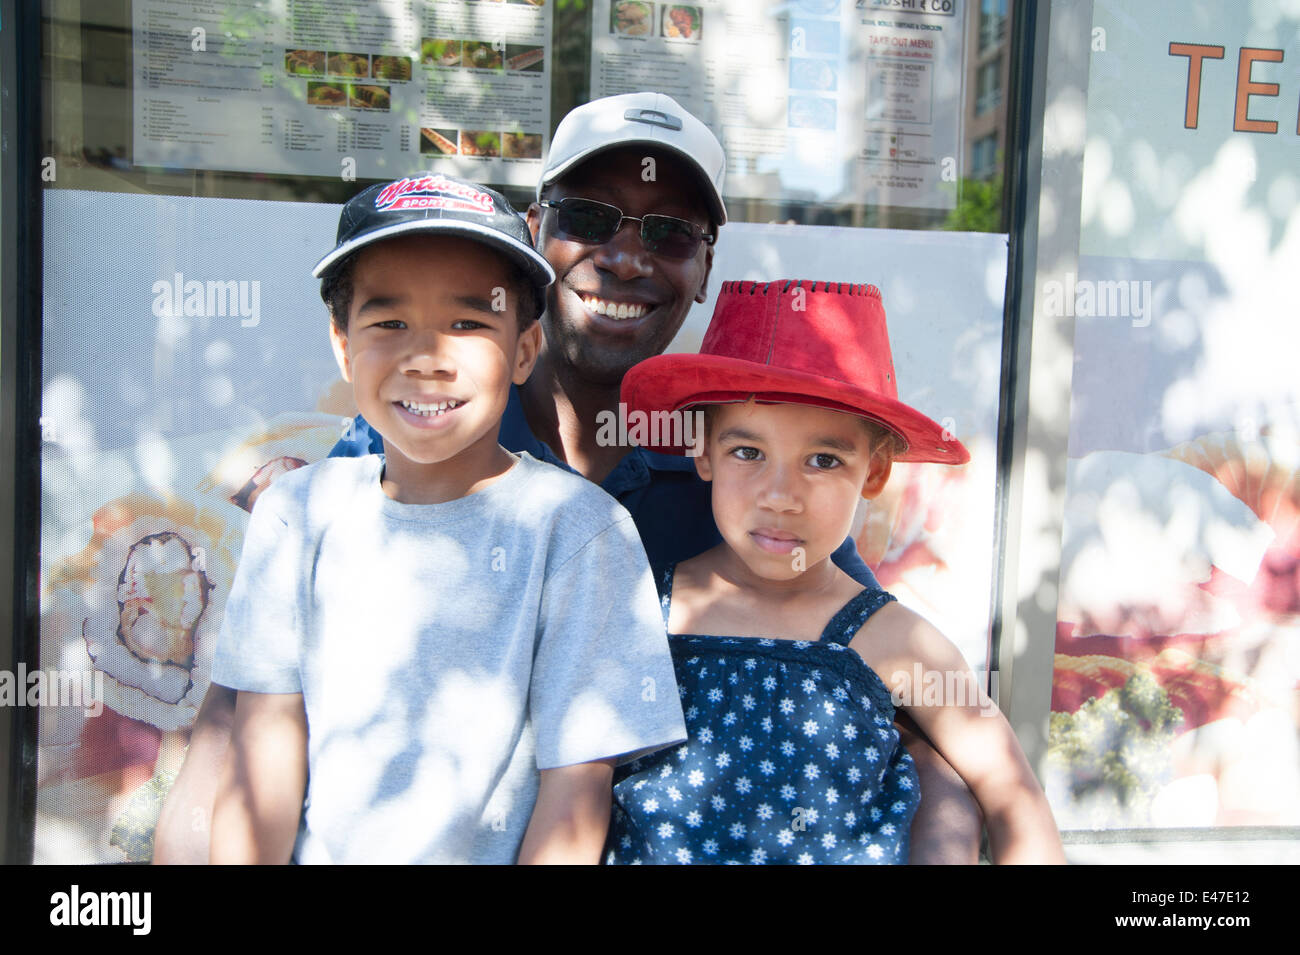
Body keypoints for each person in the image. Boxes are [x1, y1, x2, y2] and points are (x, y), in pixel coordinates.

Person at [157, 92, 981, 863]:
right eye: (589, 218)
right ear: (535, 230)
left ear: (704, 267)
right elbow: (251, 705)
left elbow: (870, 668)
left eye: (671, 234)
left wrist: (942, 824)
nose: (625, 257)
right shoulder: (416, 432)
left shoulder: (740, 475)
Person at [208, 175, 686, 863]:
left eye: (468, 322)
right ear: (343, 345)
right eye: (389, 322)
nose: (427, 358)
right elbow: (262, 764)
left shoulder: (580, 531)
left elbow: (575, 799)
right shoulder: (297, 514)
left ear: (524, 350)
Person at [606, 280, 1066, 864]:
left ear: (873, 476)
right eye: (747, 453)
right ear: (702, 451)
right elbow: (575, 786)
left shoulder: (897, 642)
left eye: (823, 461)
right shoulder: (641, 609)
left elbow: (1011, 795)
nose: (780, 496)